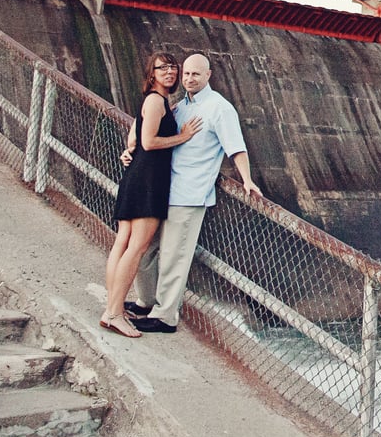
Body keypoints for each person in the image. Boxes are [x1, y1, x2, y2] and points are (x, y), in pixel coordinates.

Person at [128, 53, 262, 333]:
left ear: (208, 76)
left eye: (196, 75)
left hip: (189, 194)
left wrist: (247, 179)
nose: (189, 78)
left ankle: (165, 316)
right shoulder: (179, 106)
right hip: (162, 188)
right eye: (186, 73)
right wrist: (131, 151)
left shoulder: (219, 108)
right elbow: (147, 129)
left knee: (174, 256)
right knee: (145, 249)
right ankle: (146, 301)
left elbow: (235, 147)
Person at [98, 52, 203, 338]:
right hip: (149, 181)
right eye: (162, 68)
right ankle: (115, 314)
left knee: (123, 244)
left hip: (137, 176)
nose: (169, 72)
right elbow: (149, 141)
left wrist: (130, 152)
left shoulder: (154, 101)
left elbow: (134, 140)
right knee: (136, 248)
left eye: (173, 67)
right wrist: (182, 137)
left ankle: (112, 308)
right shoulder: (156, 101)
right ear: (151, 73)